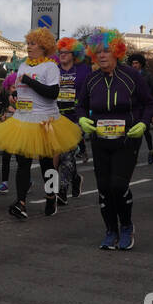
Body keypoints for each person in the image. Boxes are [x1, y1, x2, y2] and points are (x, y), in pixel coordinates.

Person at [0, 28, 83, 222]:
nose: (28, 47)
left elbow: (52, 93)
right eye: (28, 43)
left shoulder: (50, 67)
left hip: (45, 120)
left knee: (47, 163)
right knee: (23, 163)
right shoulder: (23, 66)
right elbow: (23, 91)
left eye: (33, 44)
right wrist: (15, 96)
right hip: (23, 119)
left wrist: (29, 81)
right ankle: (20, 203)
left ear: (44, 47)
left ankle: (51, 196)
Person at [76, 30, 153, 250]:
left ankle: (127, 226)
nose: (102, 55)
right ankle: (111, 229)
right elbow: (80, 105)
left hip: (126, 139)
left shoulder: (132, 76)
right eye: (98, 52)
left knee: (118, 185)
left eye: (107, 51)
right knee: (103, 188)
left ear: (117, 52)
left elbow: (149, 103)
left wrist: (143, 123)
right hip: (100, 140)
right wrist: (82, 119)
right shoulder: (92, 79)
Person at [54, 36, 90, 203]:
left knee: (67, 154)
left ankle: (62, 190)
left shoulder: (83, 70)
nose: (62, 55)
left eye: (66, 52)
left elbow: (88, 92)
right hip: (56, 117)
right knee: (58, 156)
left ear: (74, 54)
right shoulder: (54, 69)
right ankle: (75, 179)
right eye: (60, 52)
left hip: (75, 118)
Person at [127, 52, 153, 166]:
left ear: (141, 64)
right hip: (134, 107)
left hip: (145, 107)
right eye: (133, 63)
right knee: (135, 132)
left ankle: (150, 150)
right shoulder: (129, 75)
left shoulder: (148, 76)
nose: (134, 65)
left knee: (145, 131)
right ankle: (134, 154)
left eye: (137, 63)